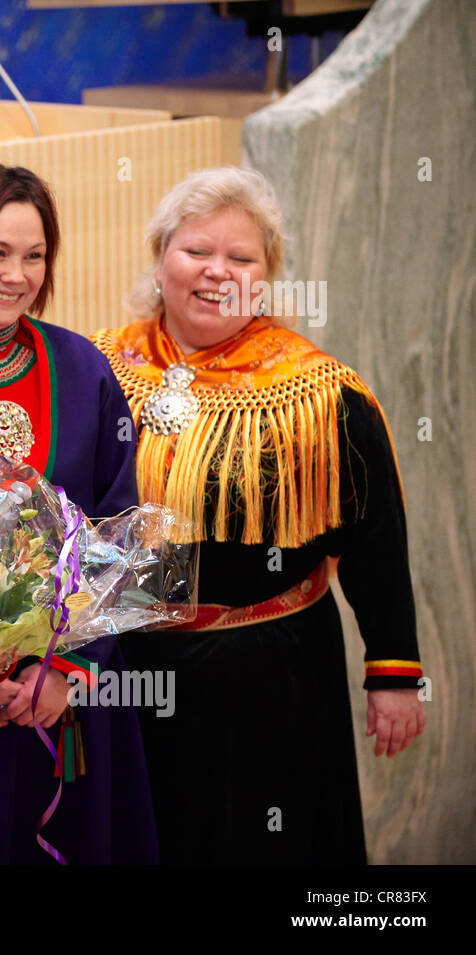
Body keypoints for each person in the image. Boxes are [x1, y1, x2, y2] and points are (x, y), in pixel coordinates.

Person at [92, 166, 426, 863]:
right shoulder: (97, 365)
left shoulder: (320, 394)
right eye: (196, 251)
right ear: (161, 258)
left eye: (241, 258)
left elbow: (377, 542)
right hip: (130, 664)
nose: (217, 272)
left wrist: (393, 673)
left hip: (271, 673)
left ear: (266, 275)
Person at [0, 162, 158, 864]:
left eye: (34, 255)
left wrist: (67, 669)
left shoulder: (83, 367)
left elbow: (121, 532)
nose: (16, 275)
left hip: (64, 701)